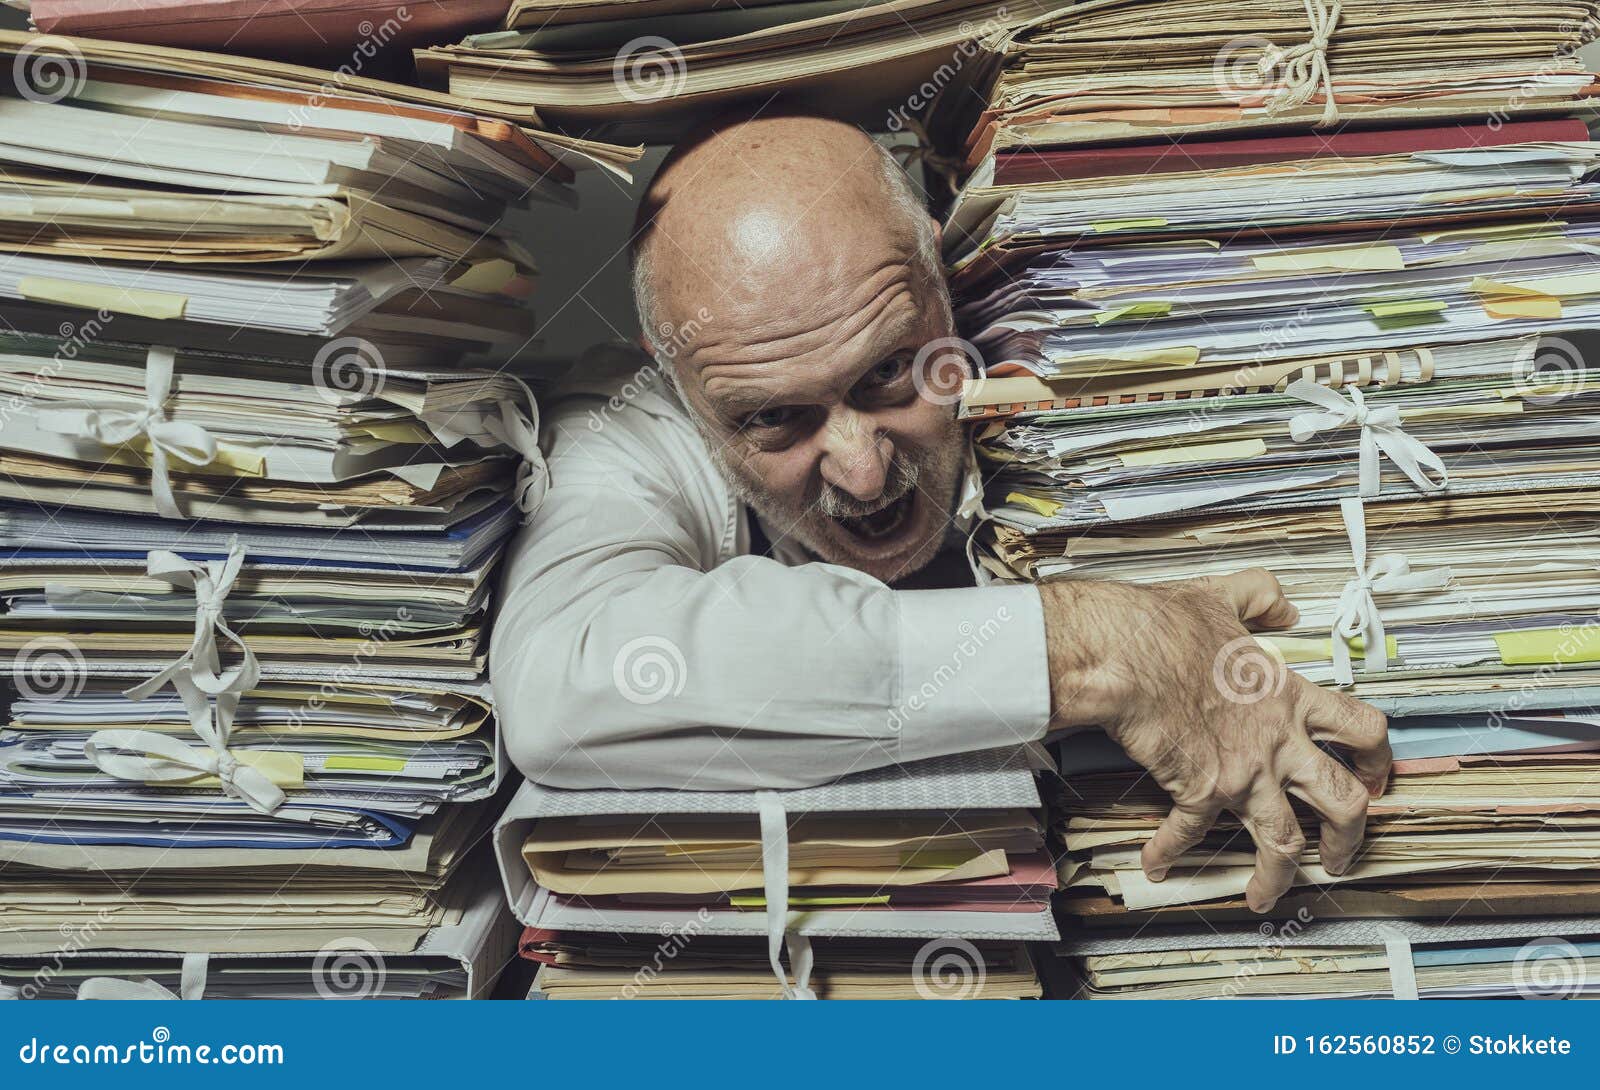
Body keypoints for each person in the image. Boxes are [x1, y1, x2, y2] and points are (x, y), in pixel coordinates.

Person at [491, 113, 1391, 914]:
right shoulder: (627, 424)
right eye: (774, 417)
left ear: (937, 273)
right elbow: (559, 680)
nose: (863, 471)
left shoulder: (1053, 341)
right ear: (672, 373)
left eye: (889, 372)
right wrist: (1095, 643)